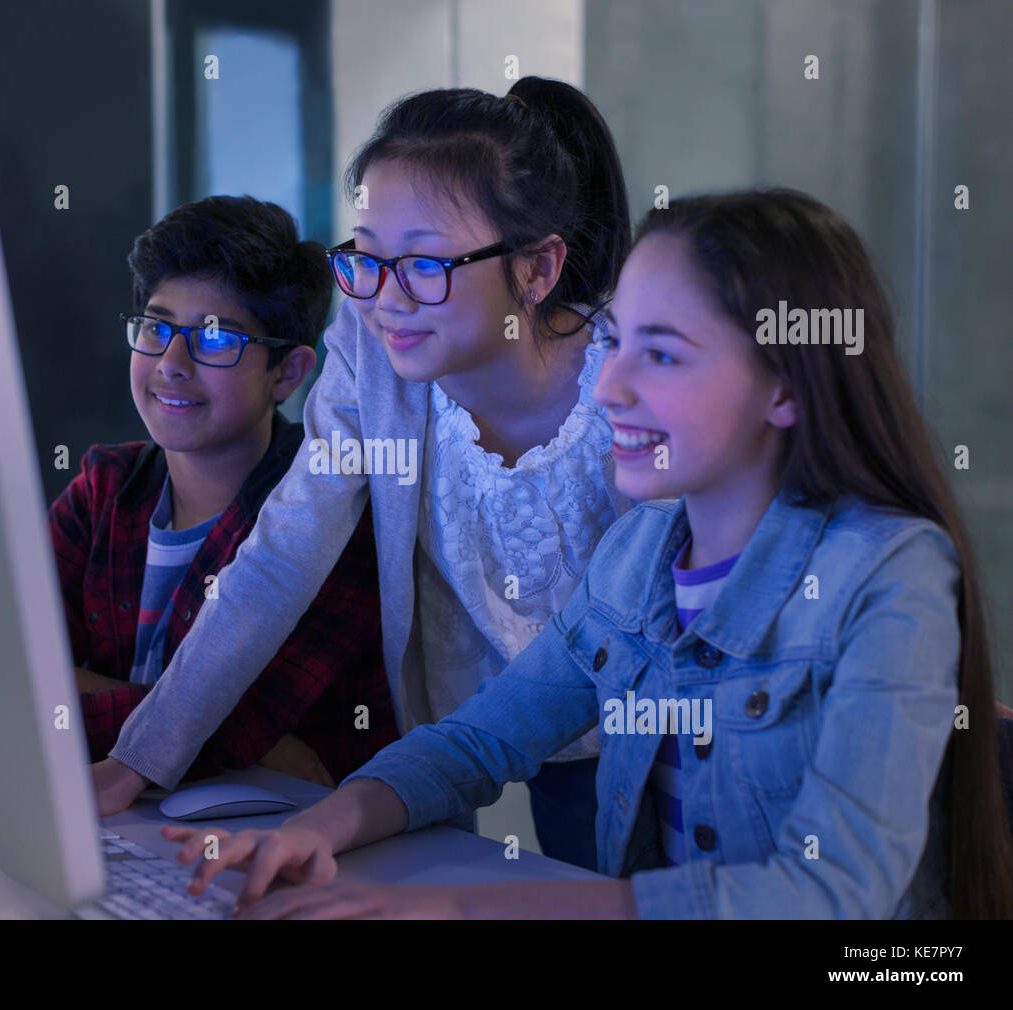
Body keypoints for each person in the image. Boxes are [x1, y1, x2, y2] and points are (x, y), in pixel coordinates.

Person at [162, 189, 1013, 919]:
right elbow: (472, 745)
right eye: (617, 340)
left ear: (787, 386)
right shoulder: (639, 554)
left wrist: (466, 908)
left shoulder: (891, 573)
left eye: (664, 354)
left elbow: (831, 894)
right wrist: (313, 829)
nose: (608, 386)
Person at [93, 78, 632, 870]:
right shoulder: (371, 344)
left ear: (538, 268)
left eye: (422, 264)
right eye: (368, 257)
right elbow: (284, 551)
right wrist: (143, 757)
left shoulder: (632, 374)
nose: (386, 298)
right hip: (463, 733)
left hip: (656, 726)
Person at [0, 194, 400, 792]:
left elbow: (223, 729)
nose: (172, 360)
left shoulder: (329, 521)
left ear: (289, 372)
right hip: (135, 824)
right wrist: (142, 707)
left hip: (317, 857)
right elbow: (1, 659)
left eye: (217, 337)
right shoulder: (106, 487)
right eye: (156, 325)